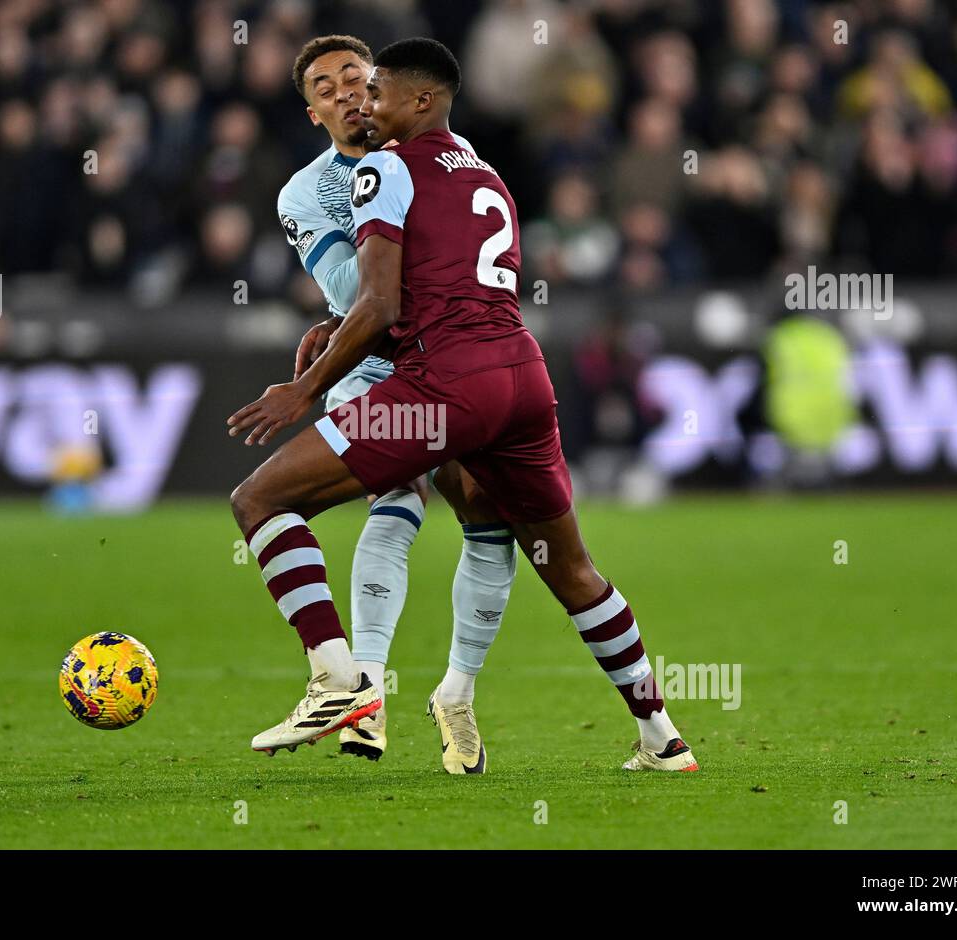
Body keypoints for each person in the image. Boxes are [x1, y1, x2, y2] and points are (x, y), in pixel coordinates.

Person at [229, 38, 697, 773]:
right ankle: (661, 737)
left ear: (415, 99)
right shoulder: (473, 164)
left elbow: (379, 303)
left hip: (437, 385)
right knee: (568, 567)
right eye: (339, 88)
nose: (361, 99)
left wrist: (306, 385)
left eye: (370, 84)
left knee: (260, 499)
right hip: (520, 377)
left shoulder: (384, 165)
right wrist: (342, 326)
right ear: (312, 107)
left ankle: (339, 679)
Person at [273, 34, 517, 772]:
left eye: (356, 76)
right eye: (326, 87)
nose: (345, 91)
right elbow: (353, 295)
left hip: (460, 357)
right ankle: (366, 687)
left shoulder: (440, 149)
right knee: (397, 491)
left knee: (488, 512)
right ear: (314, 112)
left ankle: (456, 693)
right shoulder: (306, 193)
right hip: (377, 361)